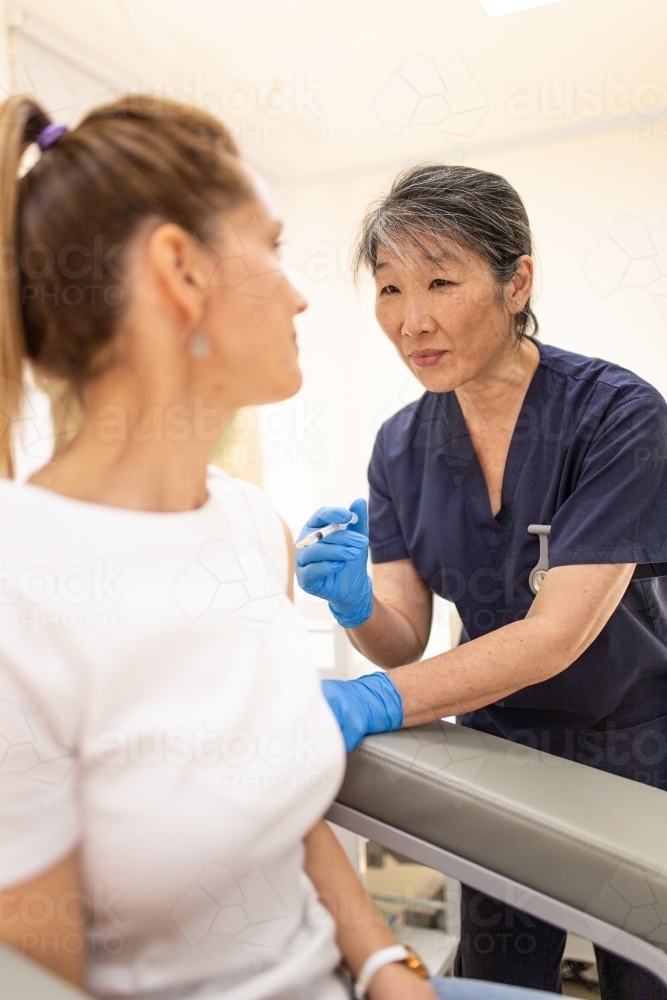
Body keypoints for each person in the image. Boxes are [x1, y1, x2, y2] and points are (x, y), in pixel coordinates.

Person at [0, 96, 559, 1000]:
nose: (304, 293)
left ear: (515, 283)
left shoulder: (244, 523)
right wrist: (367, 617)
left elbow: (281, 811)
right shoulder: (21, 588)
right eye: (270, 246)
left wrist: (388, 964)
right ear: (180, 272)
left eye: (438, 285)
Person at [296, 163, 667, 1000]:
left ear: (514, 282)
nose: (411, 319)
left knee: (645, 971)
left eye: (439, 280)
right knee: (499, 968)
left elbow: (556, 633)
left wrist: (375, 700)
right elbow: (401, 632)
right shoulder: (398, 445)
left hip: (635, 737)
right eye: (389, 288)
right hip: (495, 739)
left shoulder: (617, 416)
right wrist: (356, 601)